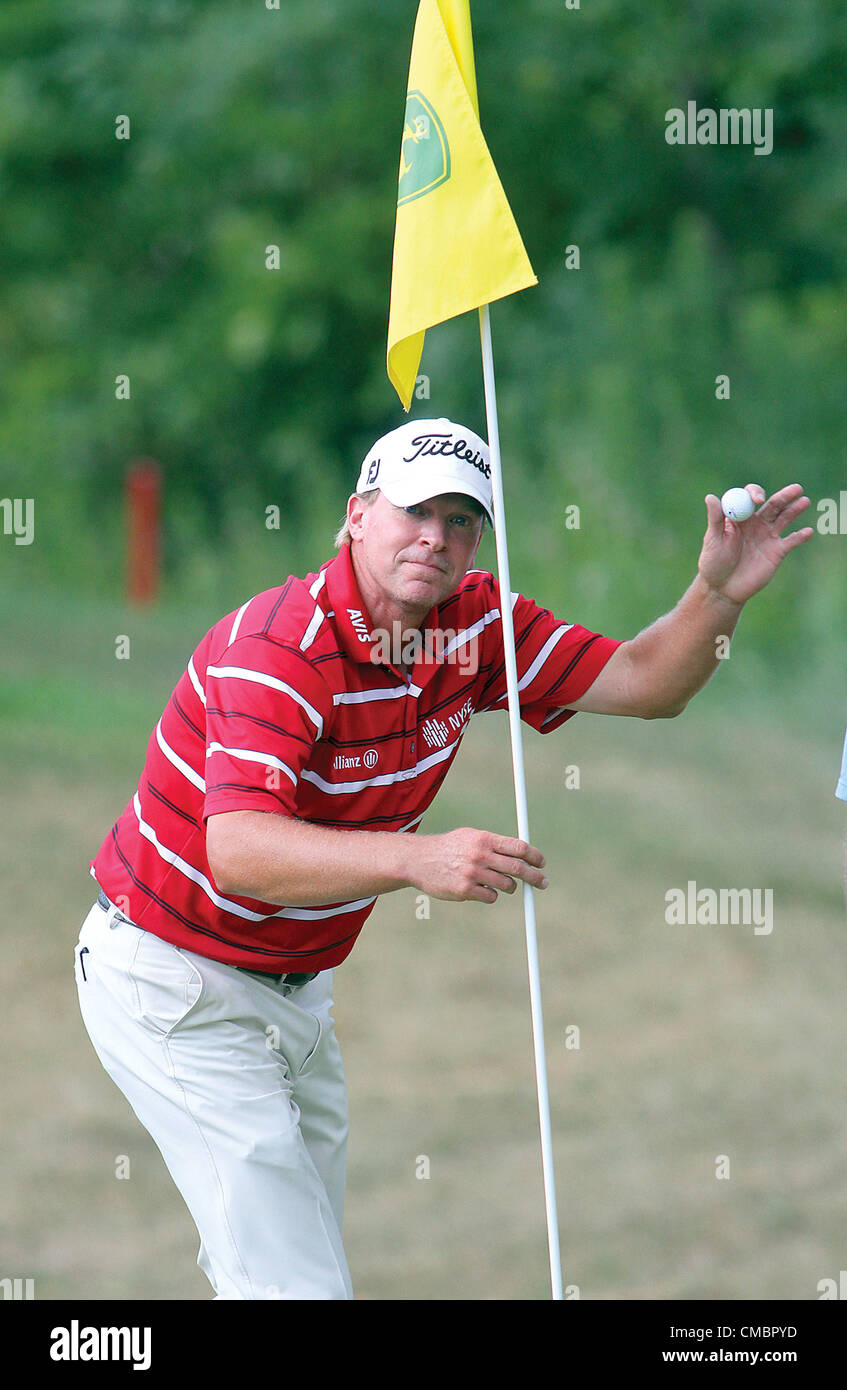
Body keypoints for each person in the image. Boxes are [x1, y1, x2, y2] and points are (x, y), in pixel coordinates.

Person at [73, 417, 813, 1299]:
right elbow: (238, 850)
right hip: (173, 981)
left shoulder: (474, 624)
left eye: (462, 519)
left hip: (295, 992)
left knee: (285, 1268)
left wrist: (716, 593)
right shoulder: (279, 649)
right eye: (415, 509)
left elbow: (643, 682)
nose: (436, 537)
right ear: (356, 515)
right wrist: (416, 860)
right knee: (294, 1286)